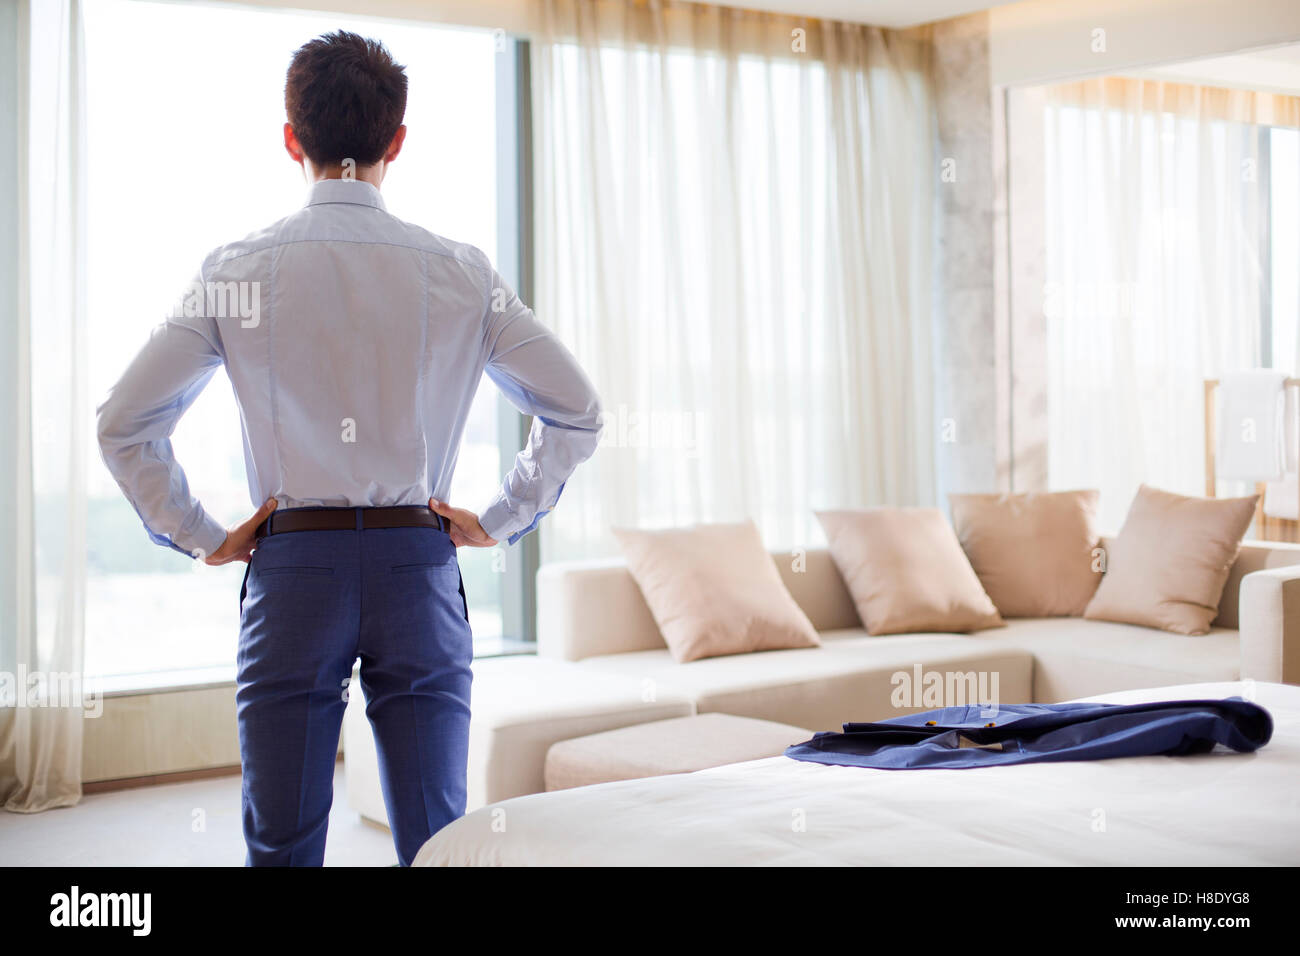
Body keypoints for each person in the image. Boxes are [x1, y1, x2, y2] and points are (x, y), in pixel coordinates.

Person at [96, 31, 602, 866]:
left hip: (295, 571)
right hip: (419, 566)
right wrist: (500, 519)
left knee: (283, 843)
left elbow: (124, 421)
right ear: (395, 142)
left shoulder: (236, 269)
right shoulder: (463, 272)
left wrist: (203, 534)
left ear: (290, 138)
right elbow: (577, 409)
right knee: (438, 840)